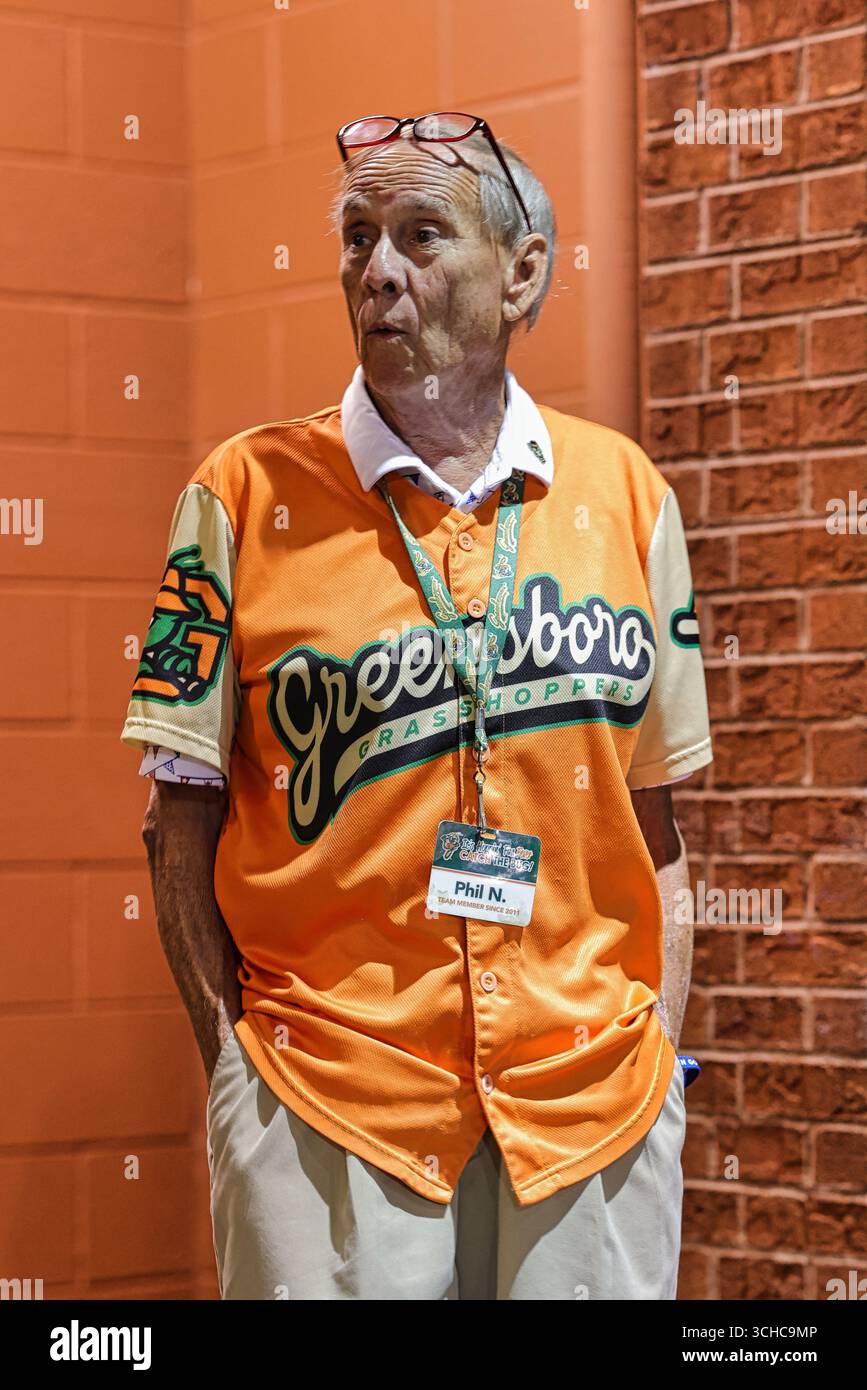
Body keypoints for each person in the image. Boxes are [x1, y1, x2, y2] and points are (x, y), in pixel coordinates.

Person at [120, 112, 713, 1301]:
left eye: (421, 235)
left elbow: (657, 831)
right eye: (357, 237)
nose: (375, 271)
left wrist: (663, 1061)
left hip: (591, 1105)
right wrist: (231, 1075)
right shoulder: (240, 496)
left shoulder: (628, 496)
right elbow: (173, 822)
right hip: (324, 1102)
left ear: (524, 272)